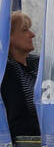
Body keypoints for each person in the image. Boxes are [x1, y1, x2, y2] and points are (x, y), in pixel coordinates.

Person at [2, 11, 39, 139]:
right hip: (27, 144)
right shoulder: (7, 70)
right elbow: (19, 121)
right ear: (9, 37)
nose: (32, 35)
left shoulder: (38, 63)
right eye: (25, 30)